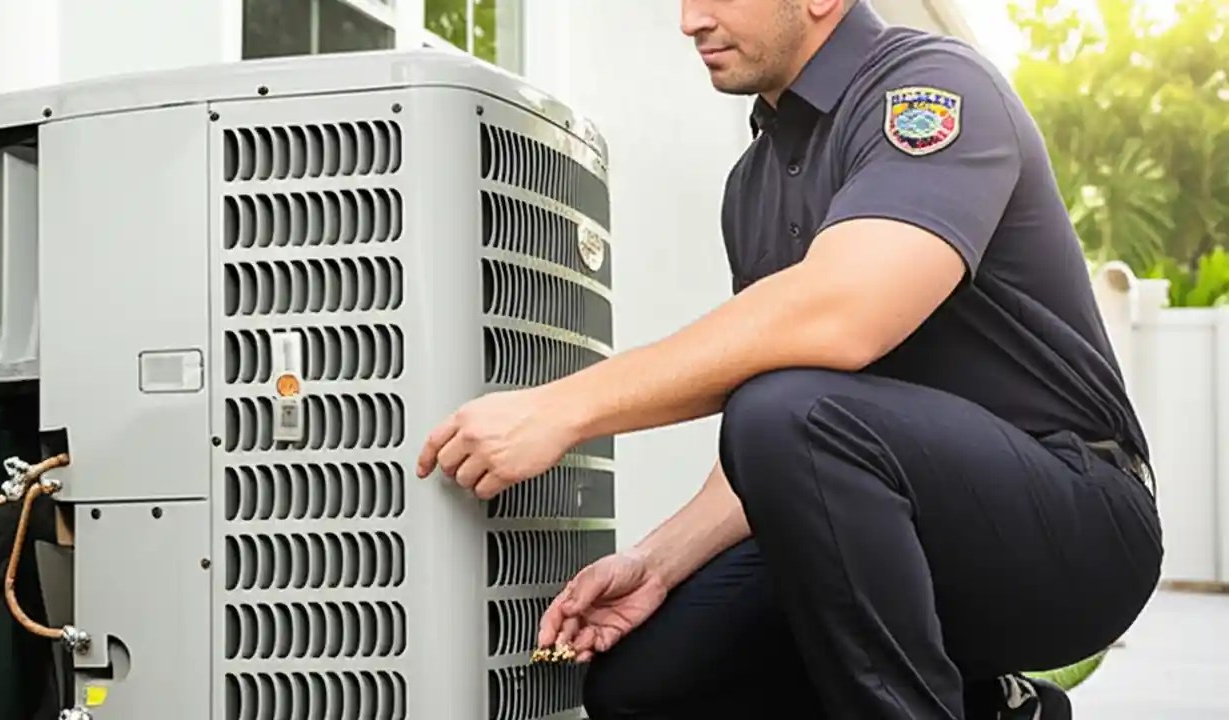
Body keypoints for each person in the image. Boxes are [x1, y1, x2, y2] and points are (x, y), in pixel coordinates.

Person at [416, 0, 1164, 716]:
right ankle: (988, 707)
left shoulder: (931, 89)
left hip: (1072, 529)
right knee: (646, 683)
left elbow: (843, 319)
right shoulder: (753, 184)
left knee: (781, 412)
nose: (690, 19)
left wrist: (562, 408)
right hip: (892, 526)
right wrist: (656, 561)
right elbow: (783, 452)